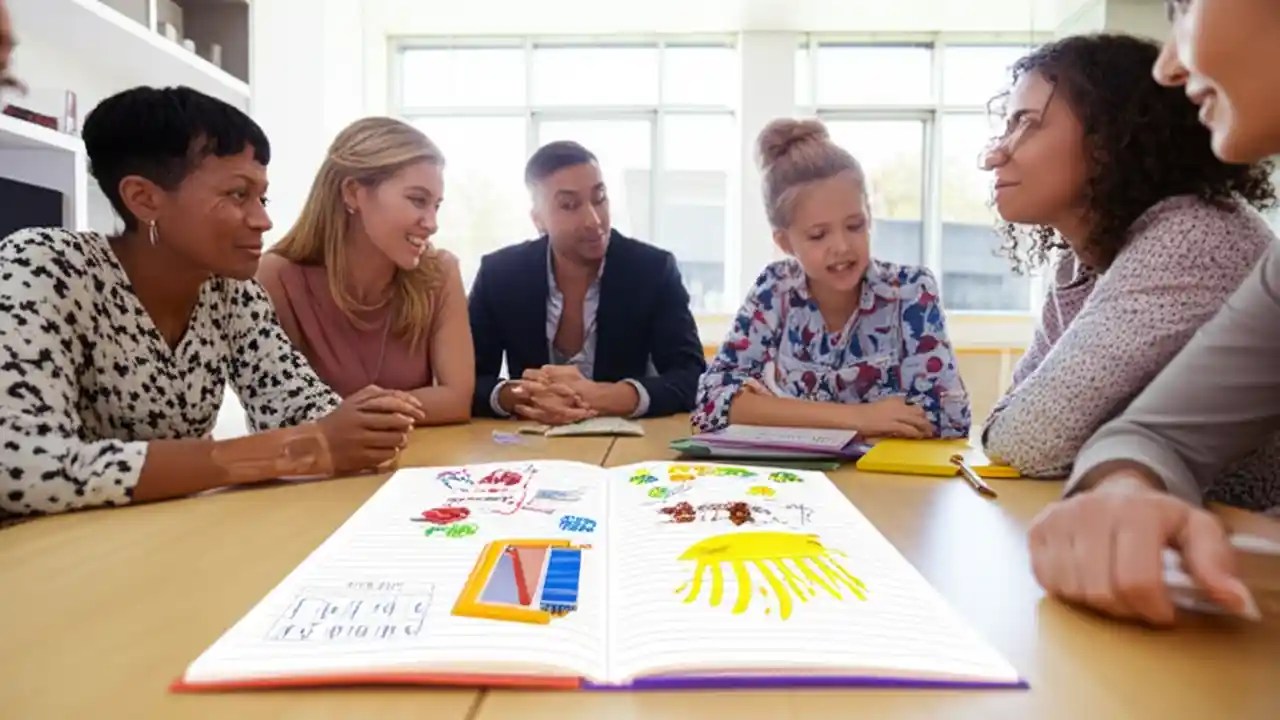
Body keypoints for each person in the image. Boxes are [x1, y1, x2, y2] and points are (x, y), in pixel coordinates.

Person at [0, 86, 424, 517]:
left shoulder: (230, 292)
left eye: (263, 197)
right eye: (238, 195)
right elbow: (25, 469)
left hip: (167, 537)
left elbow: (299, 408)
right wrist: (294, 450)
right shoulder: (45, 265)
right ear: (143, 199)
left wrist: (366, 422)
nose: (263, 220)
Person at [1030, 1, 1280, 626]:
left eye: (1186, 5)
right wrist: (1123, 491)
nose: (1168, 65)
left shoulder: (1195, 233)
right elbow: (1150, 437)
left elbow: (1028, 434)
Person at [980, 33, 1277, 476]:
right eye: (1006, 126)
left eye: (1027, 123)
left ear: (1109, 139)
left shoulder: (1192, 236)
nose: (994, 155)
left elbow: (1025, 441)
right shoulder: (1081, 261)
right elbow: (1005, 430)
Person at [692, 119, 970, 438]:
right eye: (818, 235)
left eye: (854, 226)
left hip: (885, 481)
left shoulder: (911, 291)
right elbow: (712, 402)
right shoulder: (775, 290)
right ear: (785, 243)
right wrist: (859, 418)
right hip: (792, 480)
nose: (841, 246)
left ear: (869, 217)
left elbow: (949, 415)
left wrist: (775, 412)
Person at [468, 140, 706, 425]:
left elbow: (692, 377)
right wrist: (521, 394)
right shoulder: (500, 274)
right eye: (569, 205)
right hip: (530, 444)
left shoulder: (652, 269)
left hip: (625, 444)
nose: (593, 220)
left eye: (600, 198)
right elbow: (467, 381)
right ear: (539, 219)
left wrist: (605, 396)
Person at [258, 117, 472, 425]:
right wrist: (408, 404)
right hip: (319, 471)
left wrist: (349, 415)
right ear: (353, 193)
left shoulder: (439, 273)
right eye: (417, 200)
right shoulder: (277, 277)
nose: (431, 222)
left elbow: (456, 400)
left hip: (414, 467)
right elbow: (279, 413)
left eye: (435, 205)